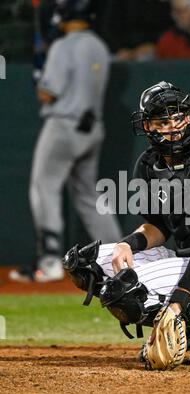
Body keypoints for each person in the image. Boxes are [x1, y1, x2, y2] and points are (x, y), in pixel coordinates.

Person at [63, 81, 190, 365]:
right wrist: (126, 244)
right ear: (148, 127)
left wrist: (178, 301)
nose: (172, 126)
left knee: (125, 291)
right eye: (162, 120)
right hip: (186, 259)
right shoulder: (149, 164)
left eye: (178, 117)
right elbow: (159, 227)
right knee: (86, 265)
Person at [10, 0, 122, 283]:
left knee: (44, 188)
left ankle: (48, 262)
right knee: (88, 196)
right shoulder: (98, 45)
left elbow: (48, 92)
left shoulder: (63, 46)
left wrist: (42, 69)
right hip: (93, 128)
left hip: (64, 125)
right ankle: (120, 259)